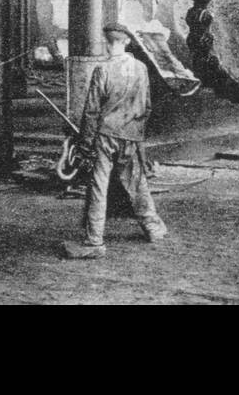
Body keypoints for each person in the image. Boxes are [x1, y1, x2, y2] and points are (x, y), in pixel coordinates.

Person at [63, 22, 167, 259]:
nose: (109, 46)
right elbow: (147, 106)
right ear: (127, 42)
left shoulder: (103, 70)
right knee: (137, 183)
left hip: (105, 136)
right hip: (131, 135)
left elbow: (91, 111)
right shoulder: (141, 68)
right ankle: (153, 228)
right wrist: (135, 132)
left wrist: (85, 143)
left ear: (111, 42)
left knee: (98, 188)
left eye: (109, 42)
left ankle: (94, 241)